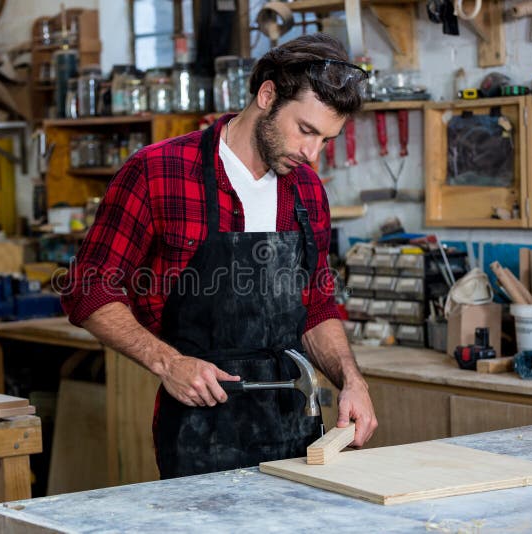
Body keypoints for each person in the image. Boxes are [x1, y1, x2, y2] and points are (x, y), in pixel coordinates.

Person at [61, 33, 377, 479]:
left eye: (326, 140)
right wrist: (168, 363)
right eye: (306, 131)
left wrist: (352, 380)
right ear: (267, 95)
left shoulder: (307, 191)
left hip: (295, 433)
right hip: (197, 432)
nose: (312, 154)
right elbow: (88, 289)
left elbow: (316, 306)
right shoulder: (159, 171)